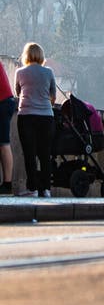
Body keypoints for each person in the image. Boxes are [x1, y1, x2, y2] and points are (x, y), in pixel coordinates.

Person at [14, 42, 56, 198]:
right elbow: (53, 96)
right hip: (46, 117)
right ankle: (46, 189)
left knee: (29, 153)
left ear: (26, 55)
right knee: (45, 154)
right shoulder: (49, 72)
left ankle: (31, 188)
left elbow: (18, 93)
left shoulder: (20, 72)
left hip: (26, 116)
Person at [0, 60, 15, 194]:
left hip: (2, 103)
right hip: (5, 102)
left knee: (3, 143)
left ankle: (7, 184)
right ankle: (6, 184)